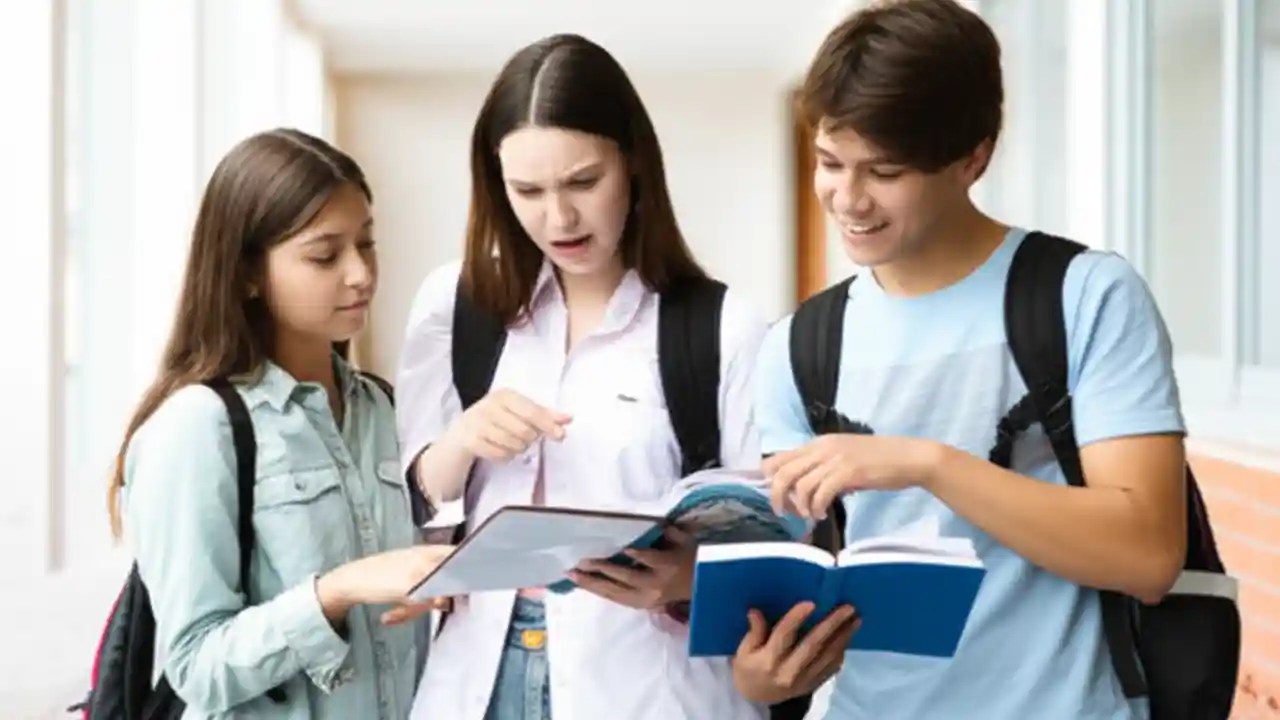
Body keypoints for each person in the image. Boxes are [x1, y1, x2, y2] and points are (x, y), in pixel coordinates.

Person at [739, 1, 1188, 718]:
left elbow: (1147, 557)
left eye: (884, 171)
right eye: (829, 163)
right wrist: (766, 675)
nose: (848, 199)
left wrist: (926, 464)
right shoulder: (799, 345)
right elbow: (790, 584)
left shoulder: (1083, 296)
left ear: (973, 156)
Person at [395, 33, 806, 720]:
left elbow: (772, 540)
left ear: (634, 164)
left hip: (652, 685)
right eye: (527, 190)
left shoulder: (720, 326)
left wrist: (683, 579)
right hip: (479, 679)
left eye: (584, 182)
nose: (558, 218)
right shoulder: (457, 306)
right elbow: (417, 501)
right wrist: (464, 438)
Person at [110, 128, 452, 719]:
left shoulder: (386, 409)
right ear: (246, 272)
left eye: (366, 244)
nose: (360, 274)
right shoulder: (196, 429)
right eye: (325, 254)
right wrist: (338, 591)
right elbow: (196, 668)